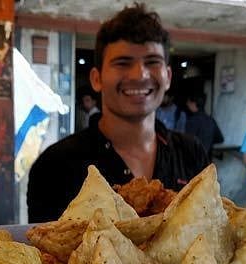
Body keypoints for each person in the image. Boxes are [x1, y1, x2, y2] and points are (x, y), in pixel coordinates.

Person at [26, 3, 209, 223]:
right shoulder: (55, 166)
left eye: (152, 62)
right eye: (123, 63)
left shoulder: (192, 153)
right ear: (96, 78)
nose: (140, 74)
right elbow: (44, 254)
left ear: (168, 76)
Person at [183, 92, 223, 161]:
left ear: (194, 104)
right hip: (207, 162)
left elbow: (187, 143)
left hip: (194, 162)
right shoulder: (210, 120)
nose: (187, 104)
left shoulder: (192, 121)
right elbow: (220, 139)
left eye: (188, 102)